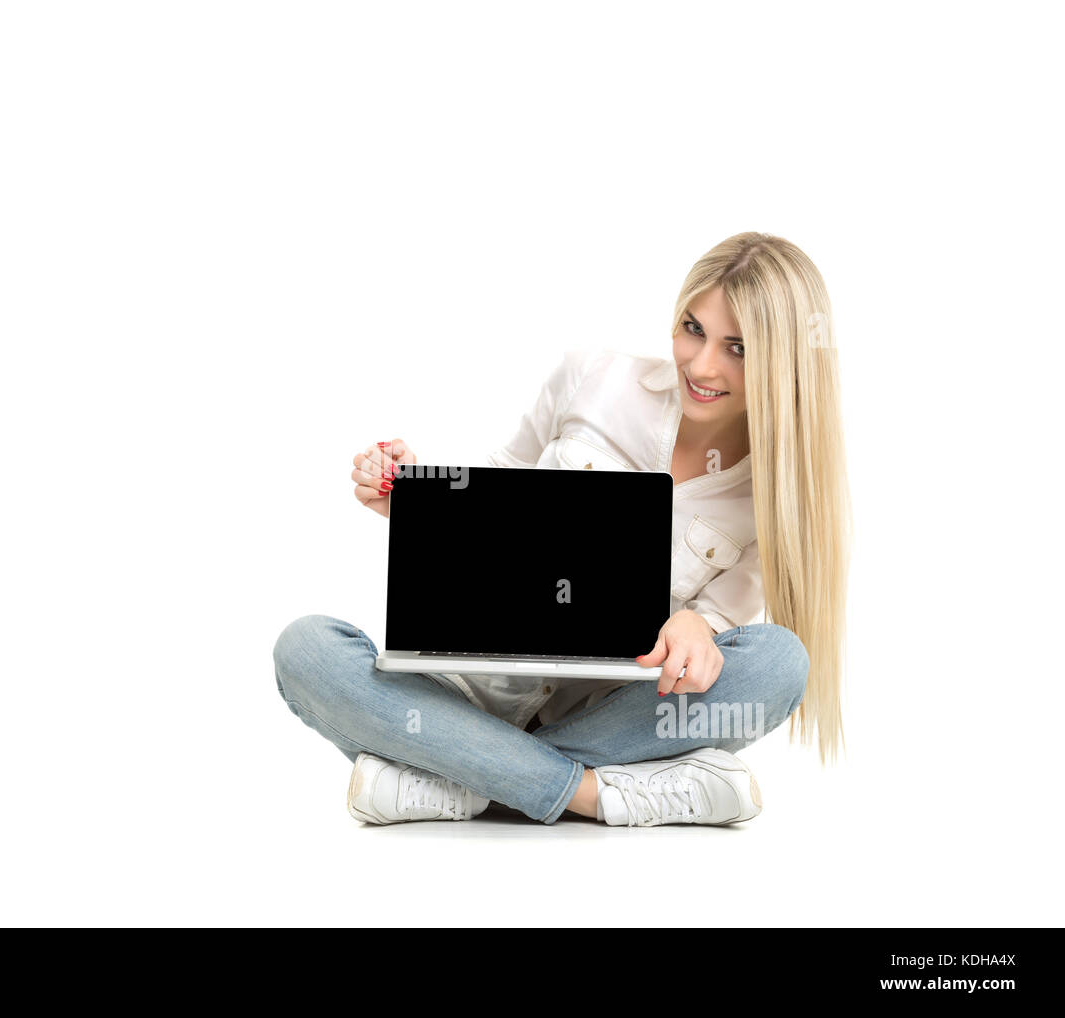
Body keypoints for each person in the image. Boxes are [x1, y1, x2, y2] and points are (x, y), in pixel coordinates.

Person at [272, 231, 851, 827]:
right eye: (693, 328)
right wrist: (416, 502)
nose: (702, 365)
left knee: (780, 662)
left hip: (605, 720)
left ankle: (457, 778)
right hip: (462, 695)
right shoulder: (591, 378)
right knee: (306, 650)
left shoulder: (773, 497)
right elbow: (497, 487)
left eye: (740, 348)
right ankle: (597, 795)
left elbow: (717, 632)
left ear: (787, 361)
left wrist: (695, 627)